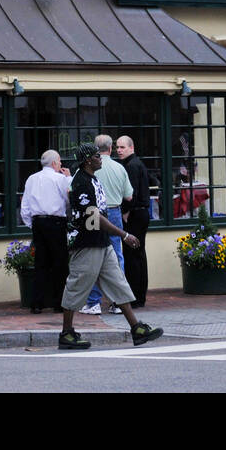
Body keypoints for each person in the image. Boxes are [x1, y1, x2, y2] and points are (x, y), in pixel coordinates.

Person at [58, 143, 163, 350]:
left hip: (101, 241)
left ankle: (137, 328)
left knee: (117, 283)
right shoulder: (81, 183)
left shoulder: (93, 178)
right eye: (97, 156)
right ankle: (66, 333)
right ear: (88, 160)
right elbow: (94, 216)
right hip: (86, 243)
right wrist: (123, 234)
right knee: (77, 285)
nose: (101, 159)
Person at [83, 135, 133, 315]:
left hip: (94, 213)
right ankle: (118, 302)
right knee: (117, 256)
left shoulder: (89, 167)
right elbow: (129, 195)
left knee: (94, 255)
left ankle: (93, 302)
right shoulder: (119, 168)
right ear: (110, 148)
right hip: (114, 211)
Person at [19, 150, 70, 314]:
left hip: (38, 222)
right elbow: (69, 199)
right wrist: (69, 177)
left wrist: (31, 223)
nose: (61, 164)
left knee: (40, 263)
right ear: (54, 163)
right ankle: (58, 303)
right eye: (60, 161)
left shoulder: (32, 179)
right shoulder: (61, 179)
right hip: (56, 222)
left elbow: (25, 205)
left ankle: (37, 303)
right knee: (60, 263)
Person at [115, 135, 151, 308]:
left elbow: (131, 194)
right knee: (138, 254)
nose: (119, 150)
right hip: (141, 213)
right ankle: (139, 295)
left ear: (131, 147)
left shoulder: (131, 166)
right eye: (117, 147)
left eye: (122, 147)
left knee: (132, 255)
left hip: (135, 214)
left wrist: (126, 211)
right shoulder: (136, 164)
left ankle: (136, 297)